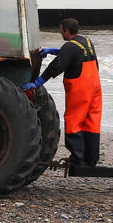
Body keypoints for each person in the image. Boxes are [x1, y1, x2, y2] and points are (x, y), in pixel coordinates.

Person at [25, 18, 103, 166]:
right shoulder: (86, 41)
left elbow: (55, 67)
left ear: (66, 30)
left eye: (61, 30)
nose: (60, 32)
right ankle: (91, 159)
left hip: (81, 89)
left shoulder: (70, 46)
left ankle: (77, 159)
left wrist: (36, 83)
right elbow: (71, 54)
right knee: (91, 121)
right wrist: (52, 51)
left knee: (74, 121)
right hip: (95, 88)